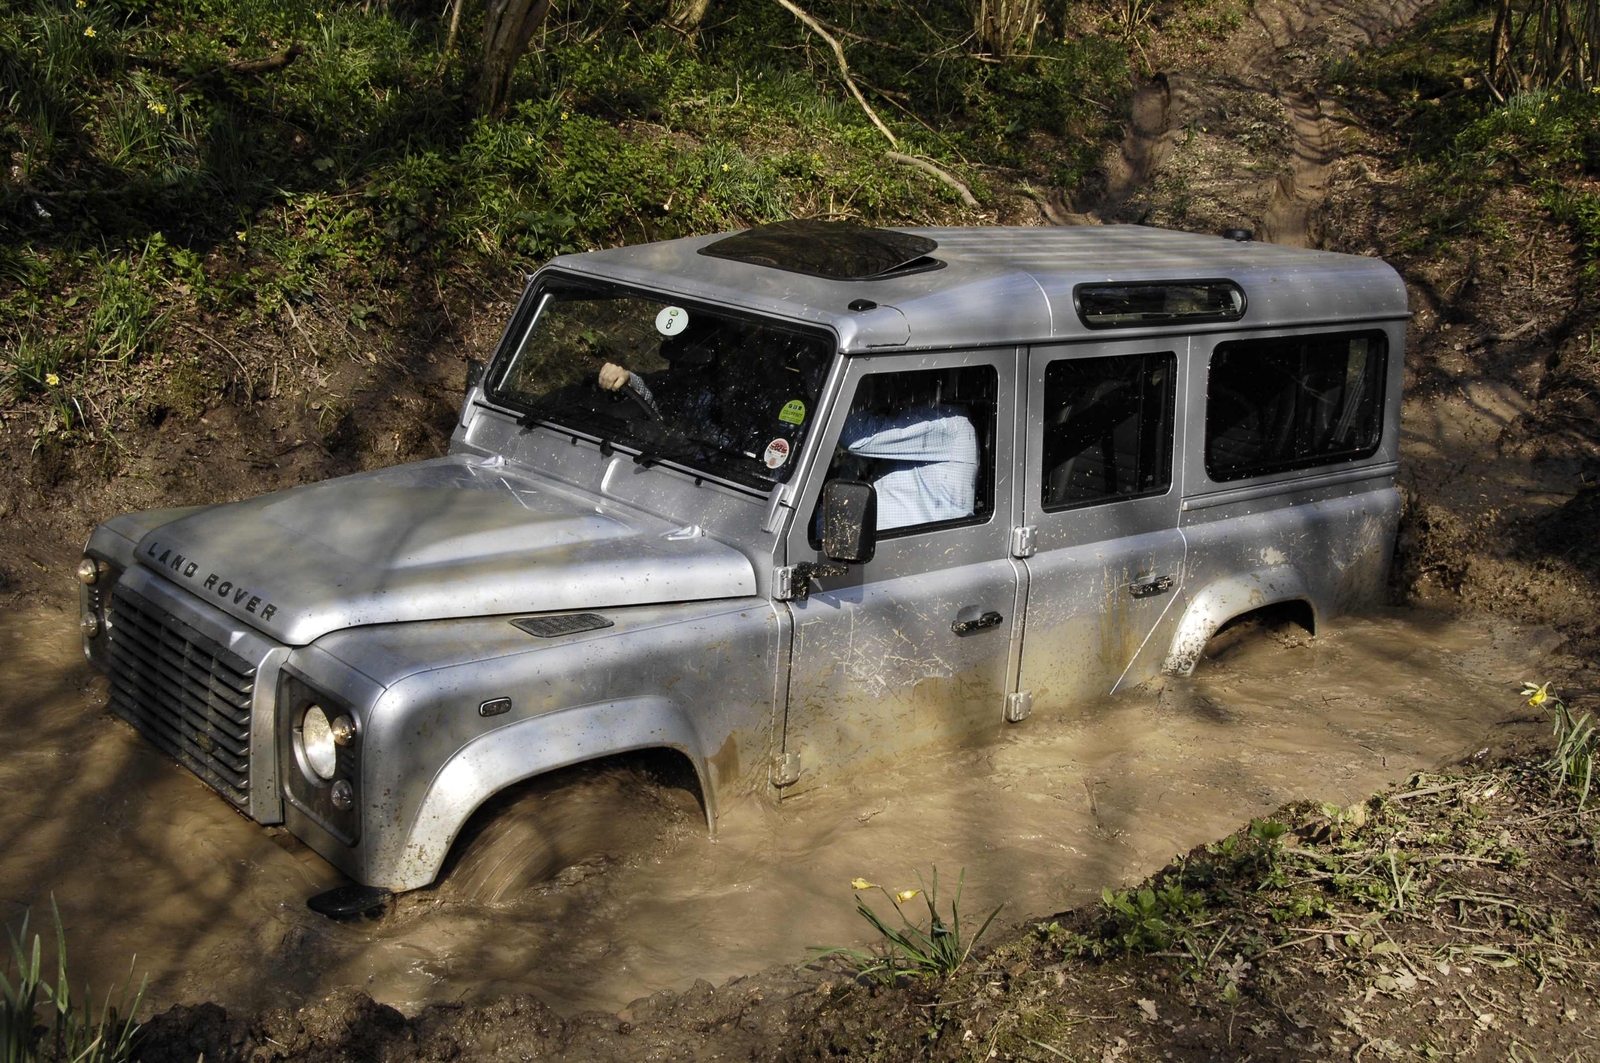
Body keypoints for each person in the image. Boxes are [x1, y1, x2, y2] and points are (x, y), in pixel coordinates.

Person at [837, 399, 977, 532]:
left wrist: (854, 393)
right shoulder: (900, 418)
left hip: (912, 543)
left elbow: (853, 435)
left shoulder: (948, 422)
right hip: (881, 541)